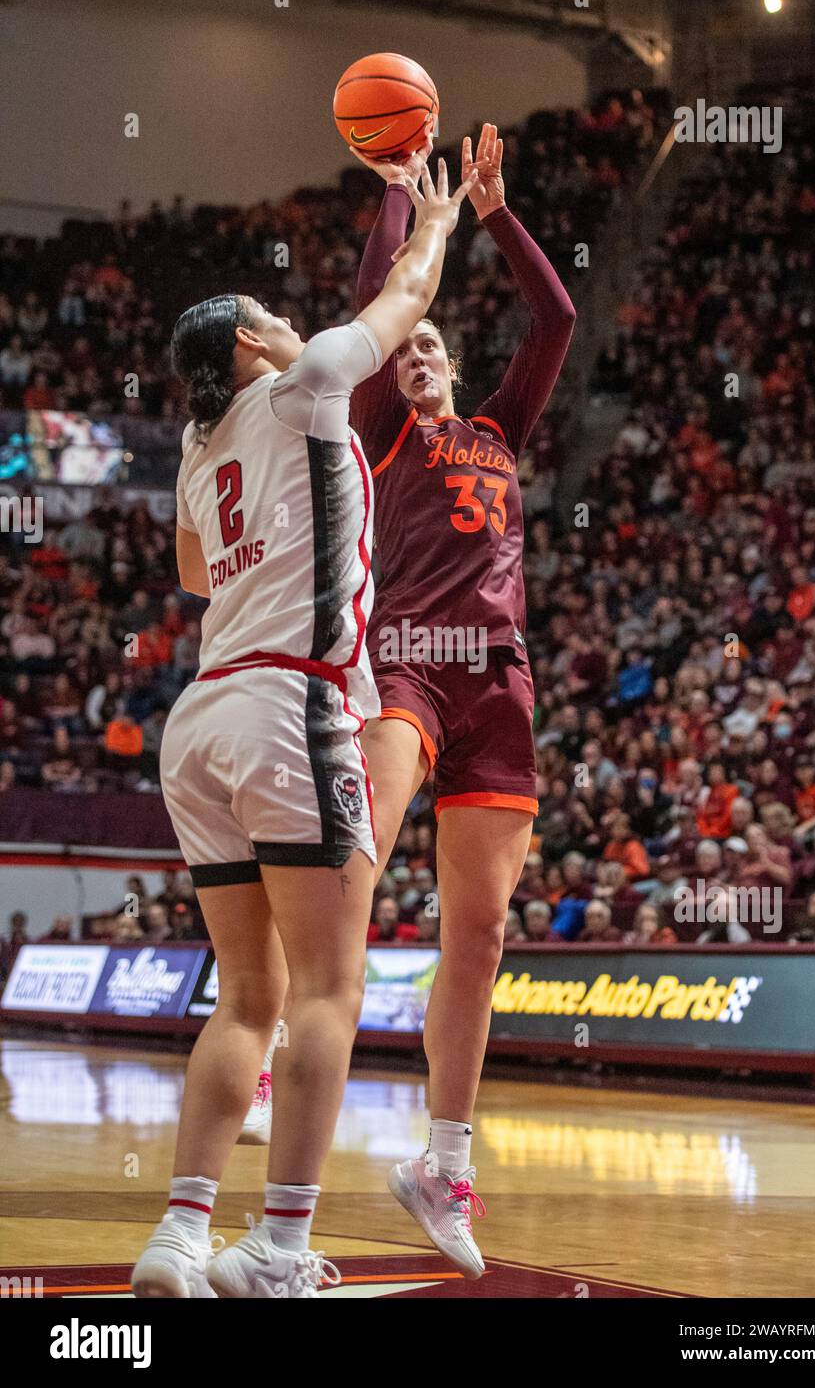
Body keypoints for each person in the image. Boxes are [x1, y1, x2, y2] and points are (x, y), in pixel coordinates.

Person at [132, 159, 475, 1300]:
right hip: (293, 700)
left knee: (247, 994)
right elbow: (408, 299)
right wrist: (433, 221)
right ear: (244, 349)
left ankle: (180, 1237)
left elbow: (191, 569)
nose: (288, 320)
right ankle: (277, 1247)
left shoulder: (196, 448)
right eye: (266, 317)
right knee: (328, 986)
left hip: (202, 718)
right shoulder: (312, 378)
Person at [345, 124, 575, 1279]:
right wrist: (397, 196)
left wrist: (491, 213)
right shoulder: (379, 432)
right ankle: (285, 1035)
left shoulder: (497, 429)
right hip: (406, 663)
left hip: (500, 681)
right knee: (362, 855)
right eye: (410, 343)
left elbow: (557, 323)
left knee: (476, 937)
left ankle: (441, 1164)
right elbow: (372, 304)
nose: (421, 349)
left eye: (434, 343)